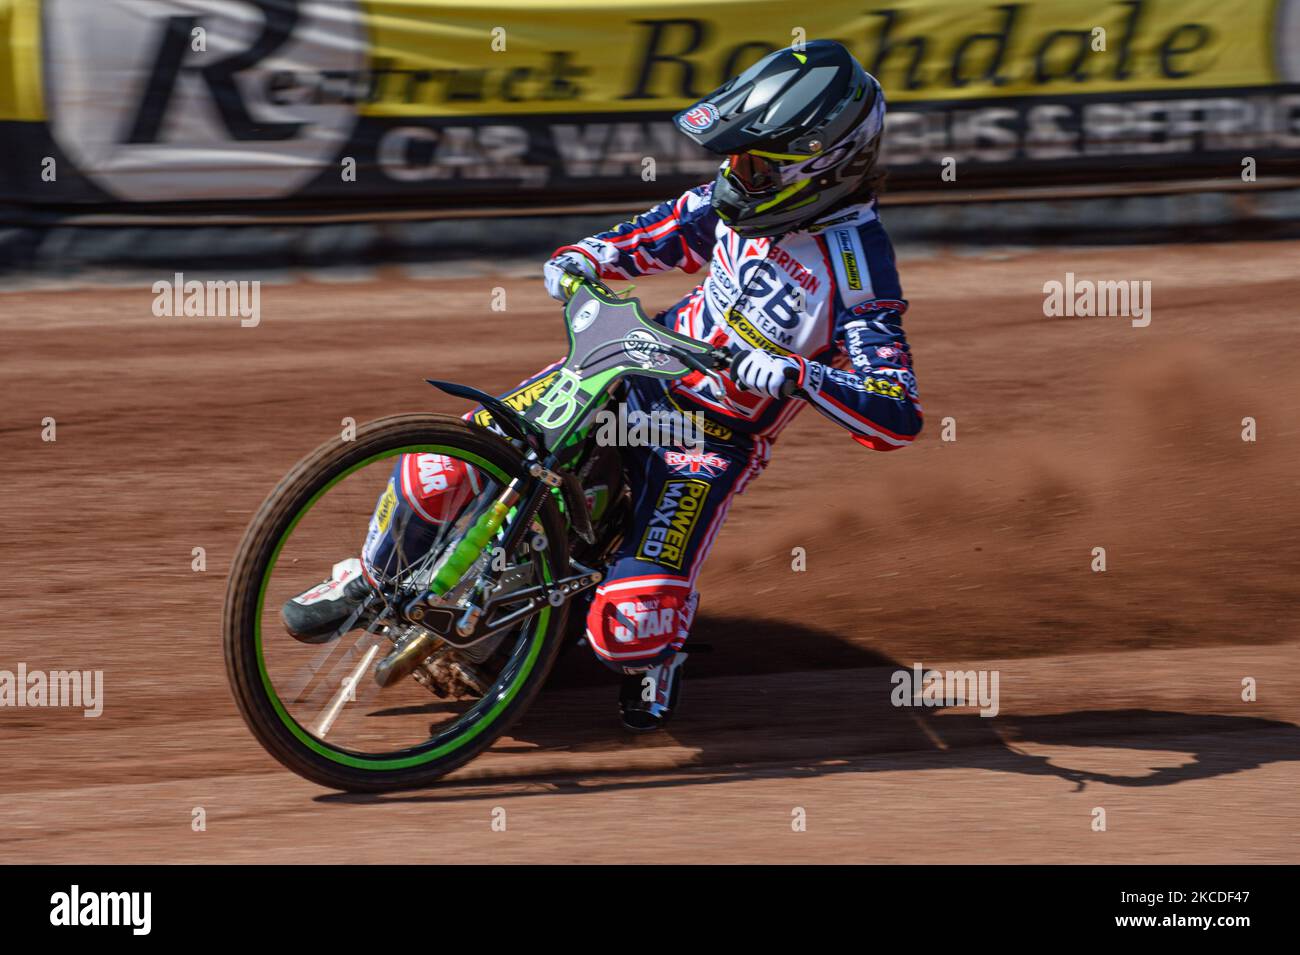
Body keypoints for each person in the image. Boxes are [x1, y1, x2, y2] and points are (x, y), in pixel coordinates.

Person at [283, 40, 923, 732]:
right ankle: (372, 576)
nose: (736, 176)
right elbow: (670, 229)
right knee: (440, 468)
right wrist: (591, 253)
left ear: (823, 167)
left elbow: (896, 413)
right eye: (735, 159)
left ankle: (652, 651)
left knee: (630, 629)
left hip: (707, 439)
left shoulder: (860, 269)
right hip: (631, 363)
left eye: (757, 164)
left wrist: (800, 373)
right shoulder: (741, 199)